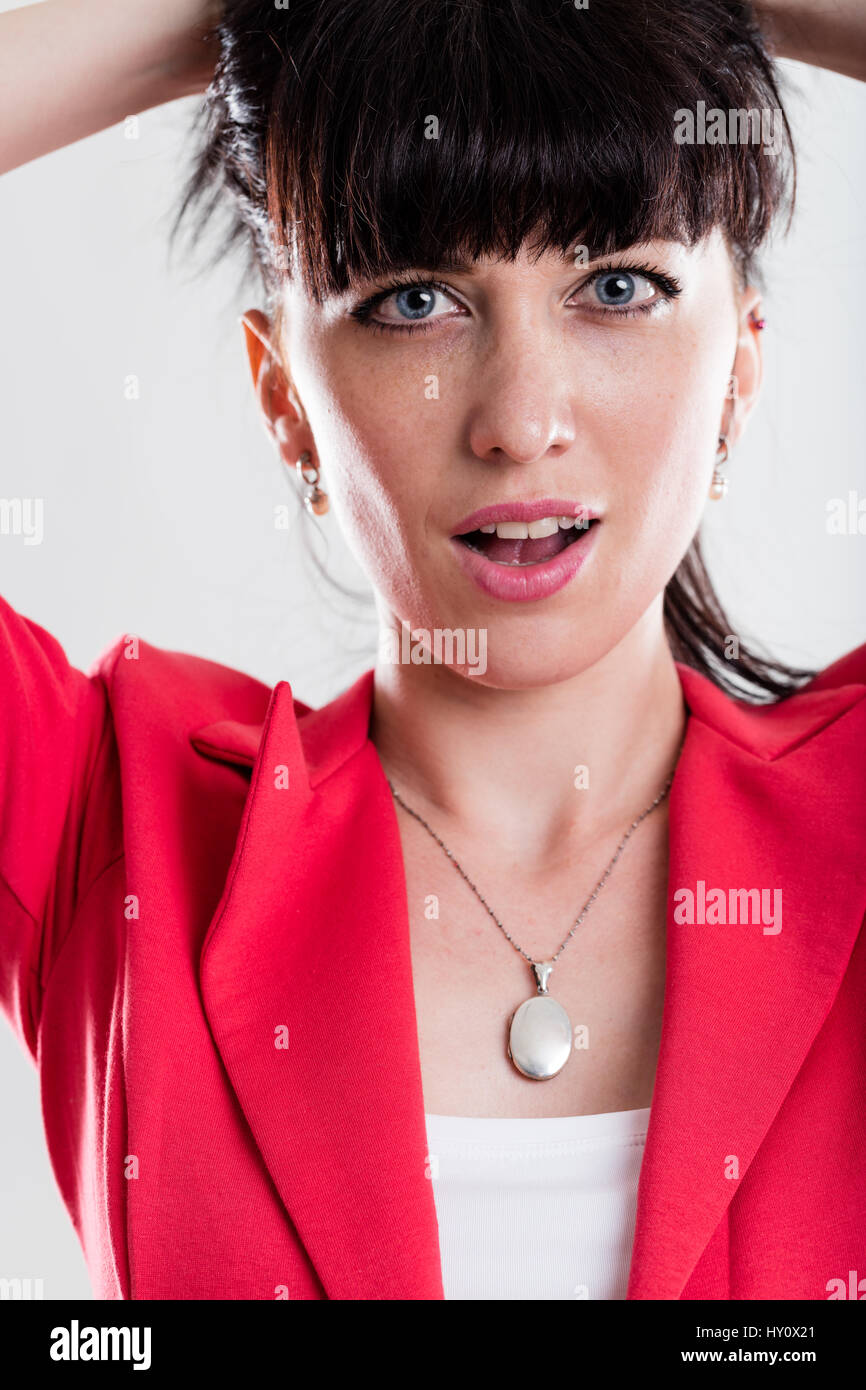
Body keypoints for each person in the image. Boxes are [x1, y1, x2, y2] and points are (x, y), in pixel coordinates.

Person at [1, 0, 864, 1302]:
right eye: (414, 301)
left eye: (616, 287)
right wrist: (257, 17)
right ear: (285, 399)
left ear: (738, 366)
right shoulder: (111, 827)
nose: (519, 418)